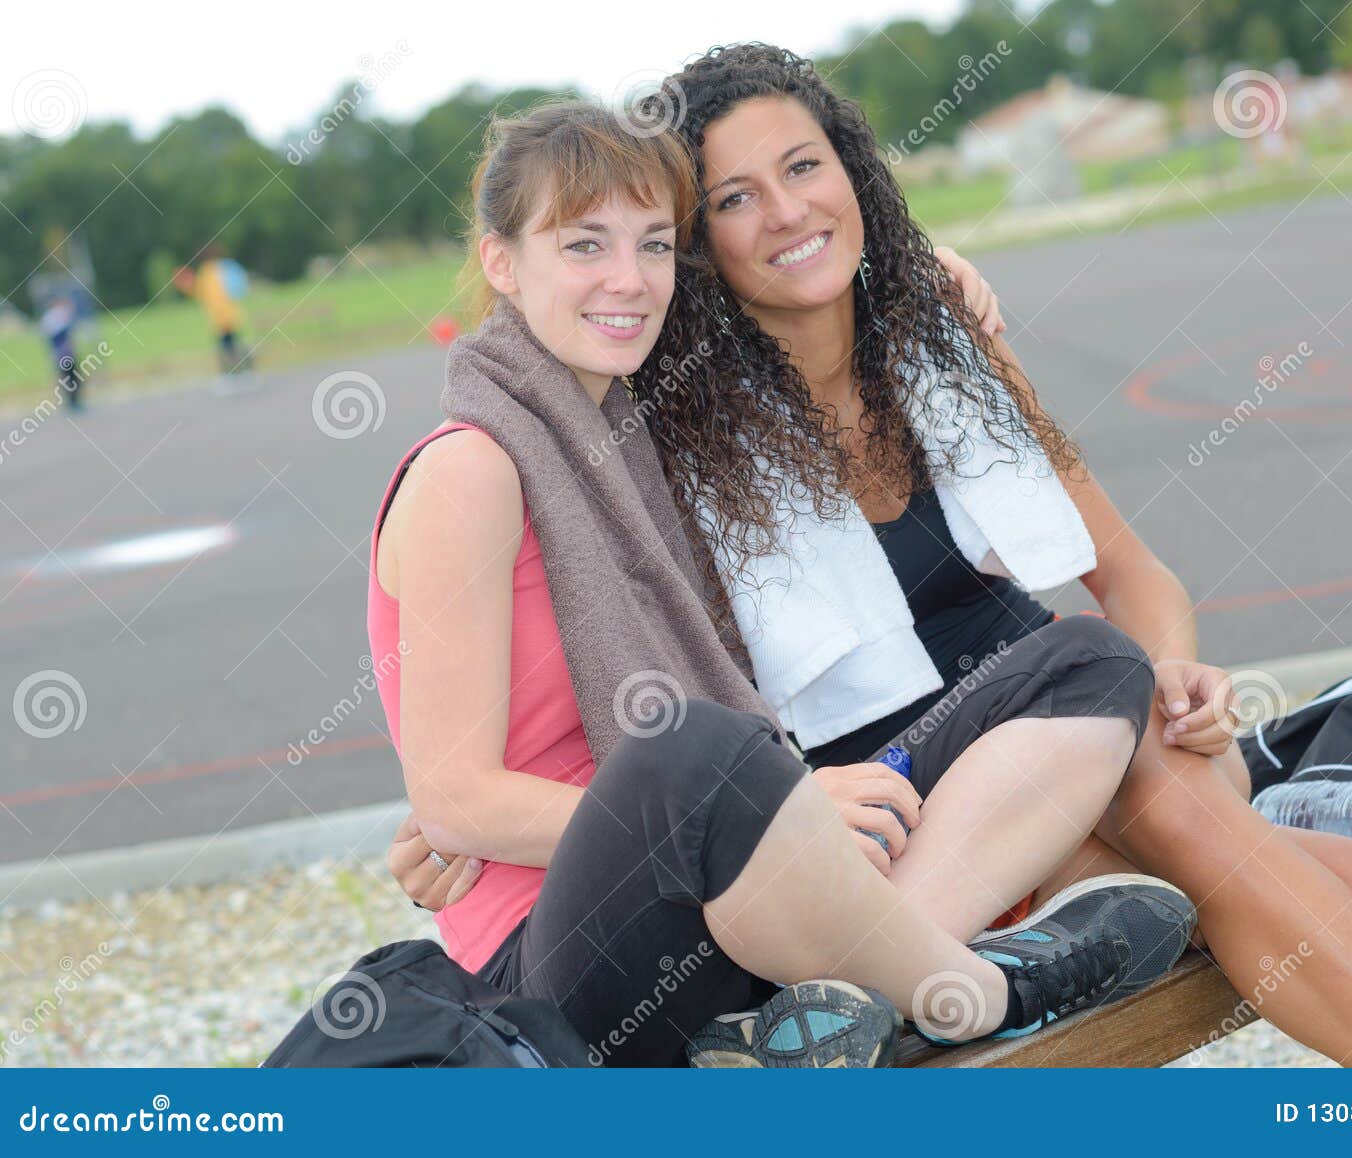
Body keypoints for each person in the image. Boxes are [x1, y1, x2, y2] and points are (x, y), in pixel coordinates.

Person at [399, 43, 1352, 1068]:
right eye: (736, 199)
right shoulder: (678, 433)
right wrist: (461, 823)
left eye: (805, 167)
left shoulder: (944, 342)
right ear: (699, 247)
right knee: (1189, 764)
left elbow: (1134, 575)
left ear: (853, 171)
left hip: (1078, 734)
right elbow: (608, 667)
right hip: (917, 805)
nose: (787, 212)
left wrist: (1172, 671)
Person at [371, 99, 1195, 1068]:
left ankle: (837, 1009)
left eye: (653, 245)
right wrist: (768, 810)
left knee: (1087, 660)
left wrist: (922, 275)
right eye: (584, 244)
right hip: (570, 963)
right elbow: (454, 800)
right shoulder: (469, 471)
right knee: (690, 753)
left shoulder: (632, 438)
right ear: (503, 264)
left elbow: (801, 293)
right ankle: (974, 991)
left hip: (735, 912)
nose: (628, 279)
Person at [174, 244, 252, 378]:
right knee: (231, 344)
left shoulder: (209, 272)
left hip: (222, 316)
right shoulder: (223, 268)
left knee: (228, 346)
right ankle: (240, 371)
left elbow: (200, 291)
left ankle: (236, 372)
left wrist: (186, 284)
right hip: (227, 315)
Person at [38, 295, 83, 409]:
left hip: (65, 353)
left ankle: (74, 401)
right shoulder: (54, 317)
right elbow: (56, 336)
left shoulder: (54, 317)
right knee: (70, 377)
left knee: (72, 377)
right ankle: (72, 402)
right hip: (62, 354)